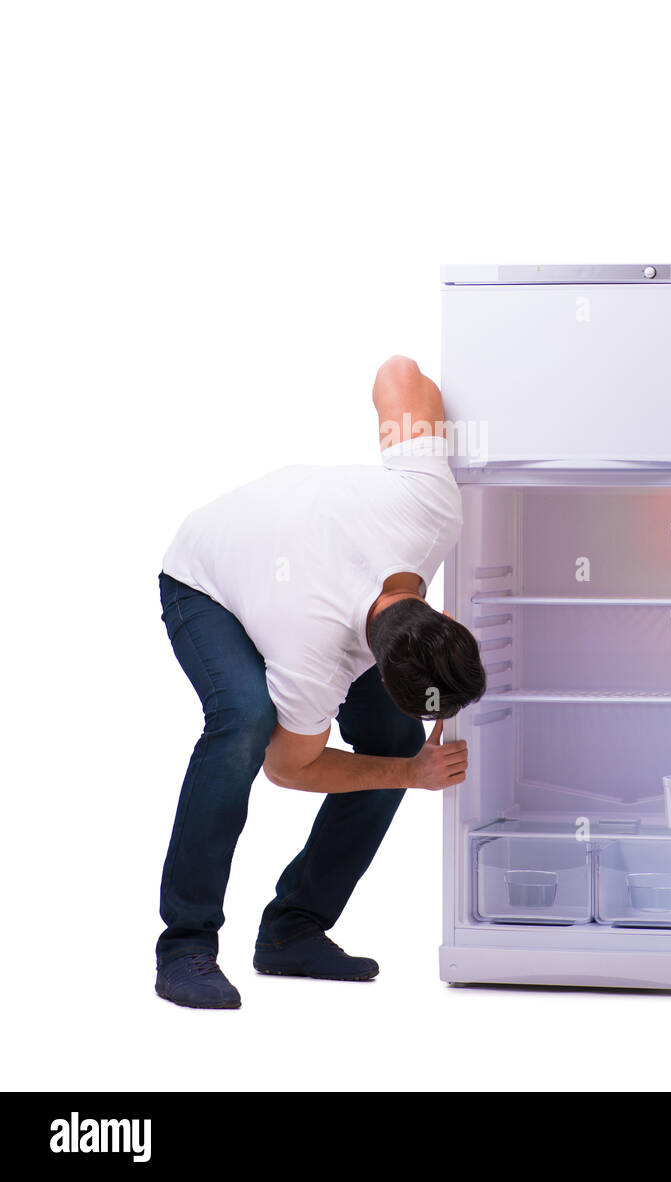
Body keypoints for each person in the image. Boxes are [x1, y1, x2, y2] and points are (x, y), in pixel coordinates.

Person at [154, 355, 486, 1009]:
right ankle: (185, 946)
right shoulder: (312, 655)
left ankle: (292, 932)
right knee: (244, 722)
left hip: (295, 557)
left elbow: (399, 372)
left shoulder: (430, 507)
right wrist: (407, 774)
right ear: (371, 671)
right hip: (206, 575)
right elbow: (291, 768)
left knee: (393, 741)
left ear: (445, 618)